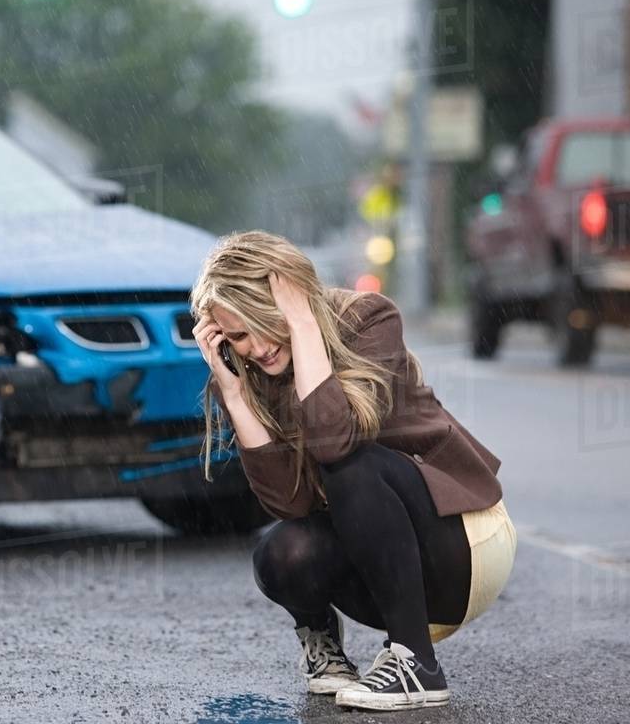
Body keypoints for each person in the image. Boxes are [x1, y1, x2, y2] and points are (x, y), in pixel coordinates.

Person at [190, 230, 516, 712]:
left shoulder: (368, 319)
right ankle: (329, 653)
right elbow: (290, 505)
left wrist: (302, 326)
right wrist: (235, 396)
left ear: (293, 298)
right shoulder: (251, 375)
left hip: (463, 546)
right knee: (281, 551)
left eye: (265, 321)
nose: (256, 347)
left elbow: (335, 443)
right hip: (385, 574)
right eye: (237, 336)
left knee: (350, 467)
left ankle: (416, 666)